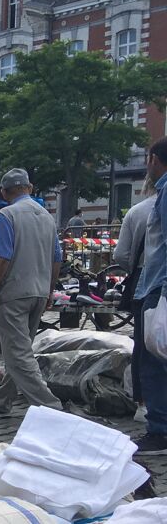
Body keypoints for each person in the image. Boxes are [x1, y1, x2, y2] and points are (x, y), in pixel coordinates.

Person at [0, 169, 65, 418]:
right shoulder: (47, 217)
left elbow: (2, 257)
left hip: (15, 292)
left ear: (5, 192)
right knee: (18, 351)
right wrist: (49, 290)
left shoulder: (6, 215)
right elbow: (57, 257)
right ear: (30, 187)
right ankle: (2, 401)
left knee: (19, 355)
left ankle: (51, 408)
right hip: (39, 291)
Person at [134, 137, 167, 454]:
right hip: (158, 285)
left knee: (153, 359)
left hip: (159, 287)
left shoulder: (166, 191)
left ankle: (160, 431)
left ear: (155, 159)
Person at [115, 186, 154, 413]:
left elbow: (120, 255)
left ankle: (143, 403)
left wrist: (134, 269)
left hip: (146, 278)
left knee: (145, 342)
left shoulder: (139, 211)